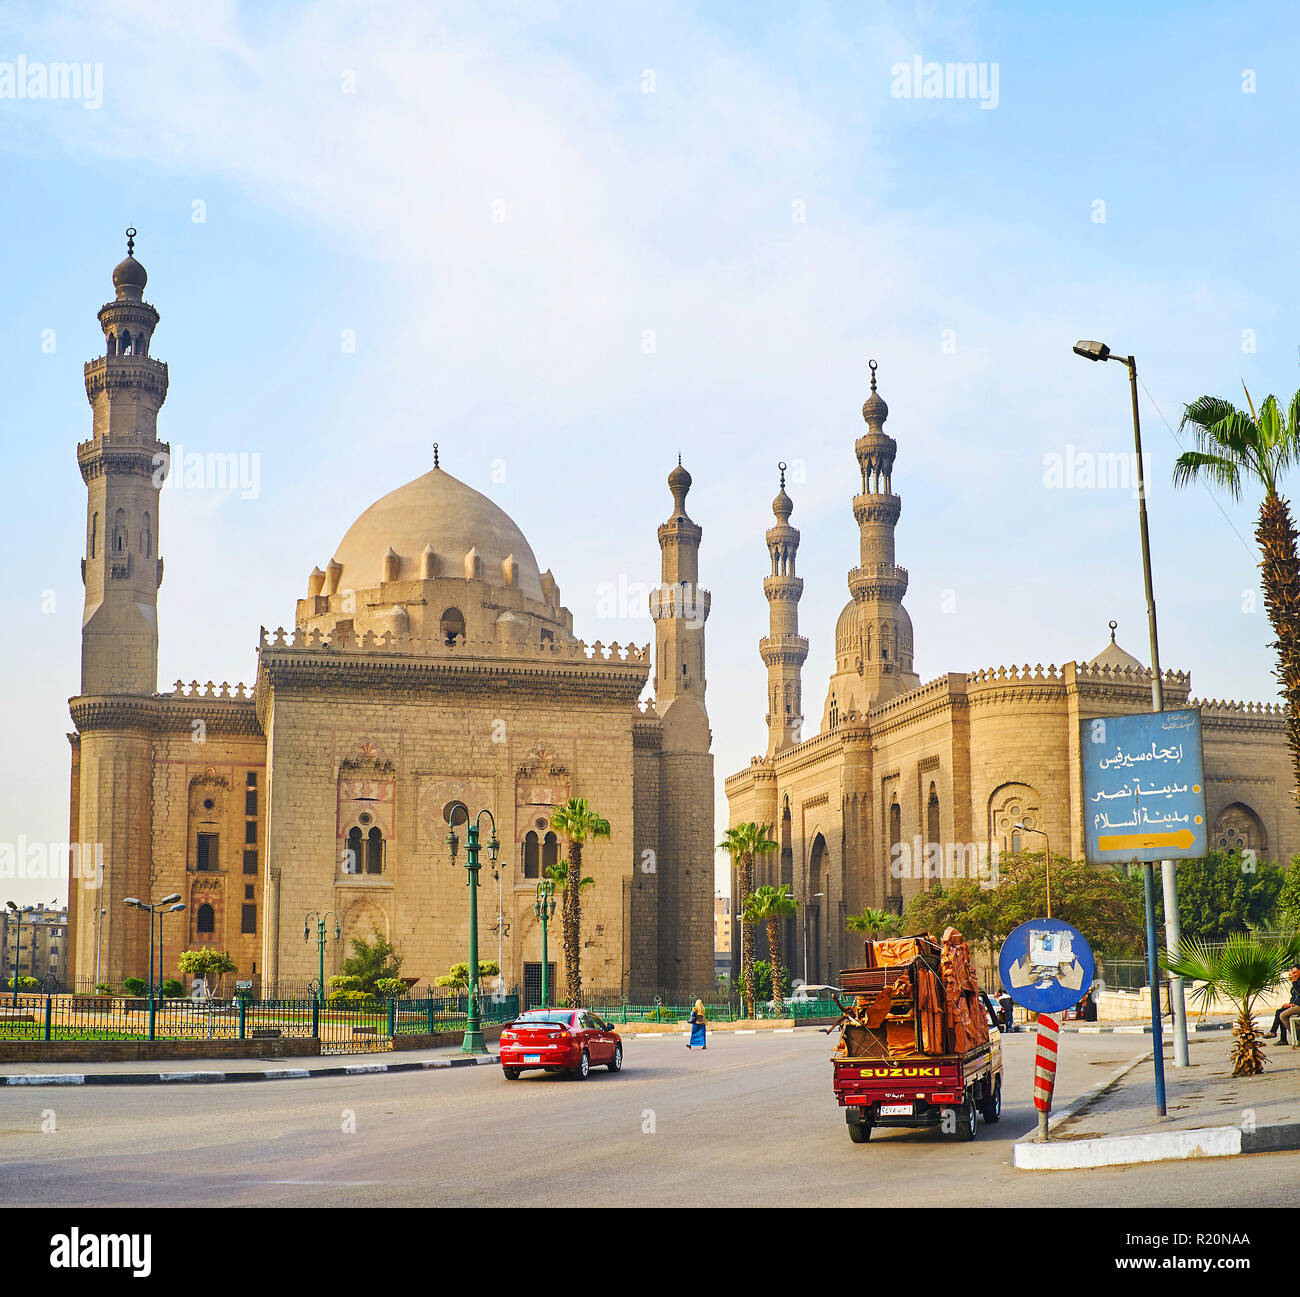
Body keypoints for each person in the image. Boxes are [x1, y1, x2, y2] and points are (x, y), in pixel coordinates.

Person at [1264, 967, 1300, 1043]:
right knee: (1279, 1012)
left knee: (1283, 1015)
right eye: (1292, 973)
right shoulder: (1296, 982)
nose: (1293, 975)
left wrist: (1294, 982)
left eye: (1295, 973)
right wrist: (1290, 1004)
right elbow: (1294, 997)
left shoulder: (1297, 983)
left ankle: (1296, 1036)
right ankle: (1282, 1038)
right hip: (1296, 1005)